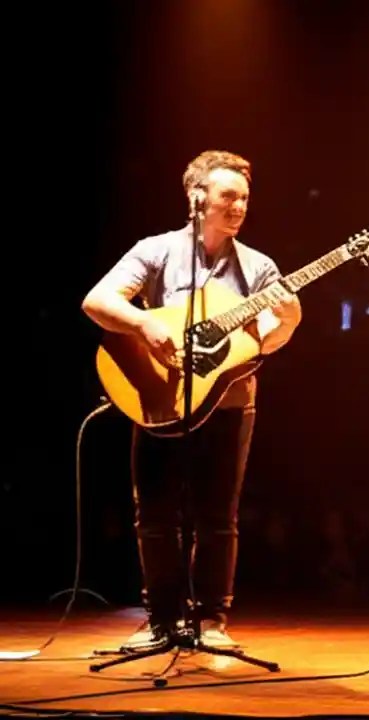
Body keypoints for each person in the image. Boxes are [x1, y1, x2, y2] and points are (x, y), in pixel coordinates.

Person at [82, 149, 302, 651]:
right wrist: (144, 323)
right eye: (228, 196)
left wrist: (287, 321)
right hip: (162, 397)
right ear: (197, 197)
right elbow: (98, 301)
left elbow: (263, 342)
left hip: (228, 402)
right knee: (154, 515)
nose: (239, 206)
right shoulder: (156, 250)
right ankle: (160, 619)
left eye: (244, 197)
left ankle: (211, 621)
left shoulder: (259, 268)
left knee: (218, 517)